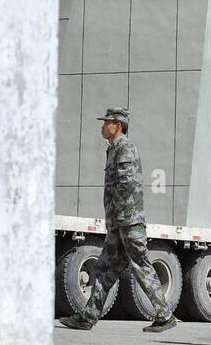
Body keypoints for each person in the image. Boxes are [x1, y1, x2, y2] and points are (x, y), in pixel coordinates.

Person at [58, 107, 178, 333]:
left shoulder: (125, 148)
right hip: (118, 223)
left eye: (106, 122)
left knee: (140, 265)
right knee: (105, 268)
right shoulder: (114, 149)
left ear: (118, 126)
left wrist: (116, 215)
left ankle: (165, 315)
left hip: (128, 221)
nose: (102, 126)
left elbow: (125, 186)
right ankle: (88, 316)